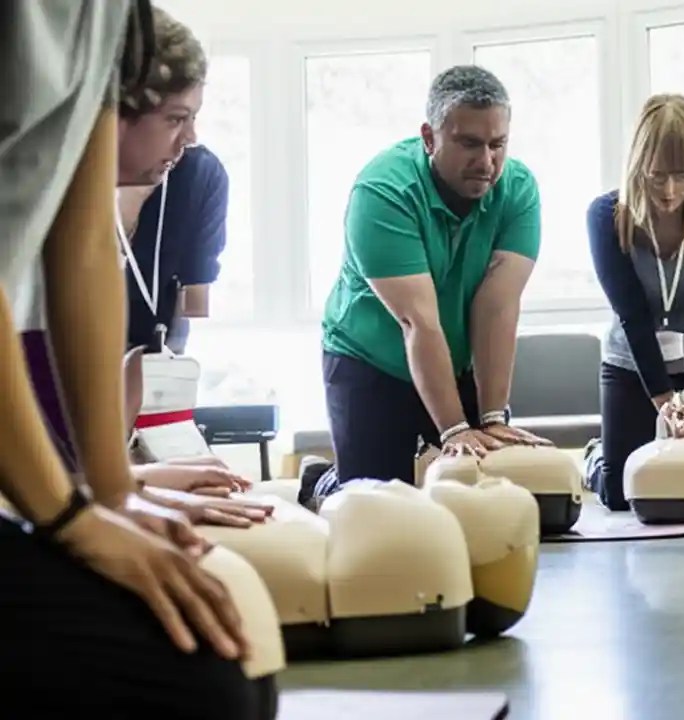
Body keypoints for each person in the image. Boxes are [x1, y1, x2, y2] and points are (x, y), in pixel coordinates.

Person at [0, 2, 269, 716]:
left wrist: (112, 490)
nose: (187, 140)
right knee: (197, 692)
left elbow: (82, 242)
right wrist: (67, 519)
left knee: (225, 667)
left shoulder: (117, 18)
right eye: (175, 119)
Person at [302, 65, 551, 509]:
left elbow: (497, 305)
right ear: (429, 136)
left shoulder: (518, 189)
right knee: (377, 508)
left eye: (498, 145)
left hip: (457, 358)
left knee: (480, 496)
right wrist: (454, 430)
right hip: (370, 357)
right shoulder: (382, 190)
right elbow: (418, 320)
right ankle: (324, 481)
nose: (487, 161)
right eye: (469, 144)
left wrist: (490, 418)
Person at [584, 94, 684, 511]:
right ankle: (594, 457)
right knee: (623, 495)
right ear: (638, 168)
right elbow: (633, 317)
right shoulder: (606, 216)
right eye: (656, 176)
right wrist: (669, 408)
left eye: (682, 175)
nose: (670, 191)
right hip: (631, 363)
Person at [115, 7, 230, 354]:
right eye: (176, 119)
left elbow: (195, 302)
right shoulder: (44, 193)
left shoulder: (198, 176)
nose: (190, 137)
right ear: (117, 111)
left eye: (193, 118)